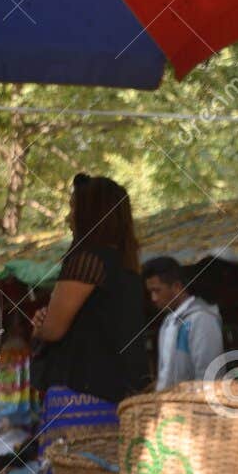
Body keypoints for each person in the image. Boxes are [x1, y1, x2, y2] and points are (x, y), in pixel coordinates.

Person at [31, 174, 148, 409]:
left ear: (90, 214)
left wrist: (39, 328)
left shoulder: (88, 262)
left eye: (73, 208)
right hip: (121, 395)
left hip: (83, 396)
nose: (68, 218)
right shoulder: (126, 264)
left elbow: (53, 330)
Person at [143, 256, 224, 391]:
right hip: (172, 407)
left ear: (177, 287)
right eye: (150, 292)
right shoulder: (168, 322)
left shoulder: (201, 319)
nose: (153, 298)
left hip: (192, 407)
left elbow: (209, 378)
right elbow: (167, 374)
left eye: (157, 290)